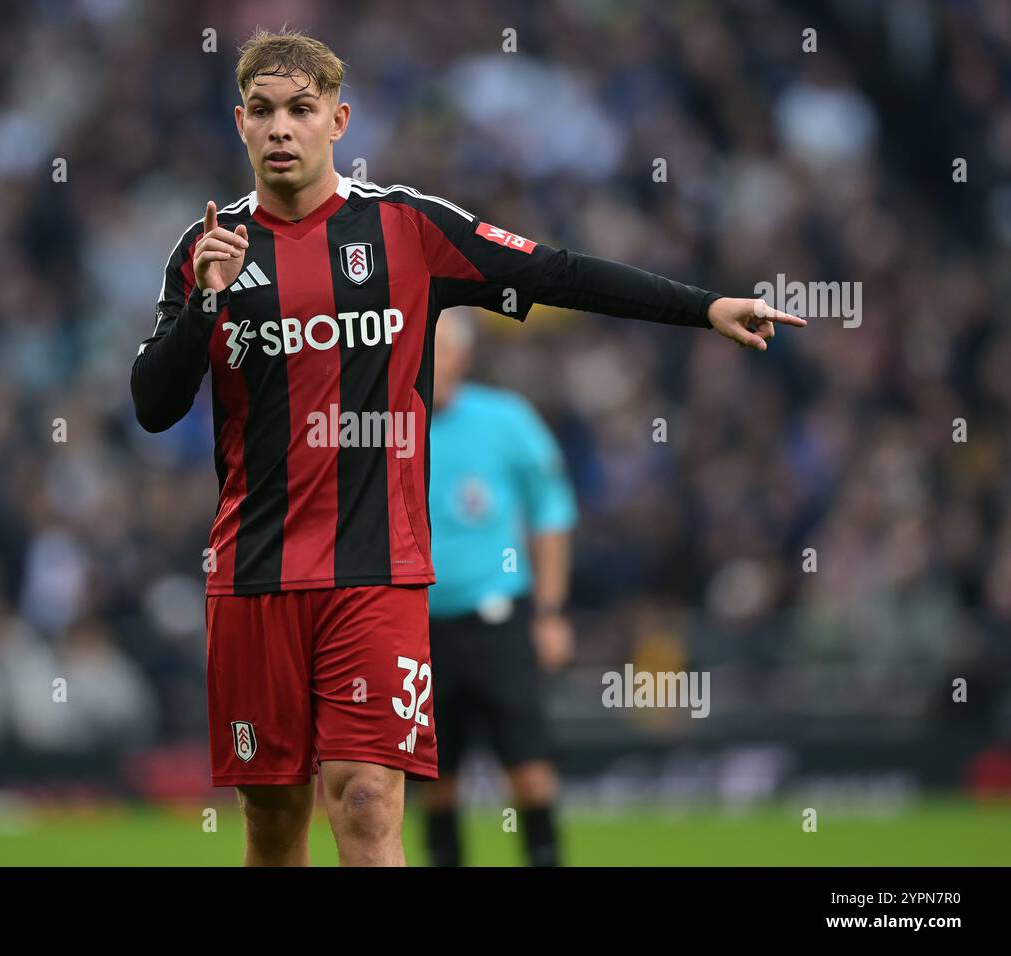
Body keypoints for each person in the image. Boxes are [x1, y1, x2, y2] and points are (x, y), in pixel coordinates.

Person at [130, 27, 805, 867]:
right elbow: (153, 407)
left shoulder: (410, 228)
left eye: (301, 110)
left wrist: (702, 307)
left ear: (337, 120)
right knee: (273, 823)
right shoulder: (208, 251)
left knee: (370, 802)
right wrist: (202, 305)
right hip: (253, 574)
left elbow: (557, 271)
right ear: (239, 124)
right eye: (262, 111)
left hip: (375, 574)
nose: (280, 128)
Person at [422, 308, 576, 867]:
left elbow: (552, 511)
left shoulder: (505, 420)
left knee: (530, 770)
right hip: (417, 629)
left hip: (497, 619)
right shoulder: (387, 424)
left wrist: (551, 611)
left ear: (461, 357)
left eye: (435, 348)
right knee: (435, 782)